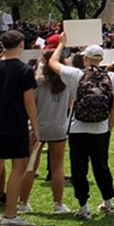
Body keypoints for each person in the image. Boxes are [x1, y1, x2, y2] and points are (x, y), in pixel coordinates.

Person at [48, 36, 114, 219]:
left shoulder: (76, 75)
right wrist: (109, 127)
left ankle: (84, 206)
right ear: (102, 59)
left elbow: (52, 62)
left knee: (79, 169)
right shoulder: (111, 77)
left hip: (78, 128)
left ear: (85, 59)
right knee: (101, 166)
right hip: (101, 129)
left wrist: (62, 44)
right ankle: (109, 203)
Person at [0, 30, 40, 226]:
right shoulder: (24, 70)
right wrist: (35, 128)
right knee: (18, 167)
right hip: (15, 124)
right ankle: (10, 214)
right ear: (21, 45)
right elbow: (29, 103)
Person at [21, 49, 74, 215]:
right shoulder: (67, 81)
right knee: (57, 167)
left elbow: (30, 104)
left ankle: (23, 203)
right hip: (59, 127)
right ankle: (58, 204)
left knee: (30, 166)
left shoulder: (38, 81)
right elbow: (69, 104)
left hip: (39, 126)